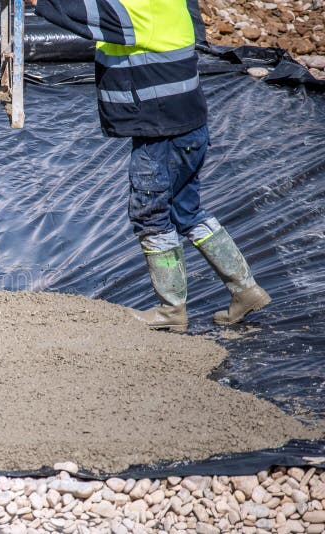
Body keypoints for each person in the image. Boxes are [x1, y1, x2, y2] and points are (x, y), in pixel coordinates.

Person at [27, 0, 270, 329]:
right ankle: (246, 290)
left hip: (161, 130)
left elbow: (79, 11)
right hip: (188, 125)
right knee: (186, 210)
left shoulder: (138, 8)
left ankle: (171, 310)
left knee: (149, 213)